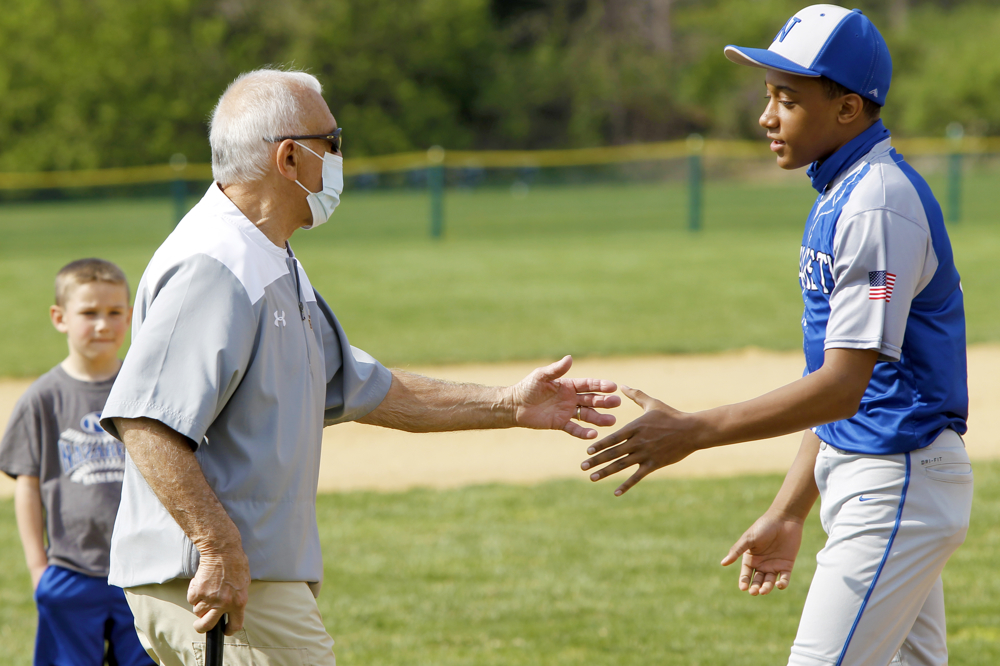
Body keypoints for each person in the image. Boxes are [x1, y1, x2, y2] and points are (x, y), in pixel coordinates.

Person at [98, 68, 621, 665]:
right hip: (220, 588)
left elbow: (363, 387)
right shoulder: (216, 265)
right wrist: (217, 548)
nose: (342, 156)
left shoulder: (268, 258)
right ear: (290, 159)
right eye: (334, 141)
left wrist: (509, 404)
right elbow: (147, 421)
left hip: (245, 582)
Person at [582, 6, 971, 665]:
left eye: (787, 99)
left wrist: (696, 430)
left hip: (895, 481)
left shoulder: (876, 203)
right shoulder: (844, 192)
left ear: (848, 109)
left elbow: (843, 389)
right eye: (769, 96)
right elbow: (840, 387)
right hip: (878, 473)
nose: (767, 117)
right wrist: (791, 508)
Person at [0, 259, 155, 666]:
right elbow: (27, 487)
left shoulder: (144, 391)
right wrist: (39, 568)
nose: (103, 325)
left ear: (131, 316)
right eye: (89, 313)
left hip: (140, 572)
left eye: (114, 312)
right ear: (59, 317)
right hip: (70, 570)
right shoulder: (43, 397)